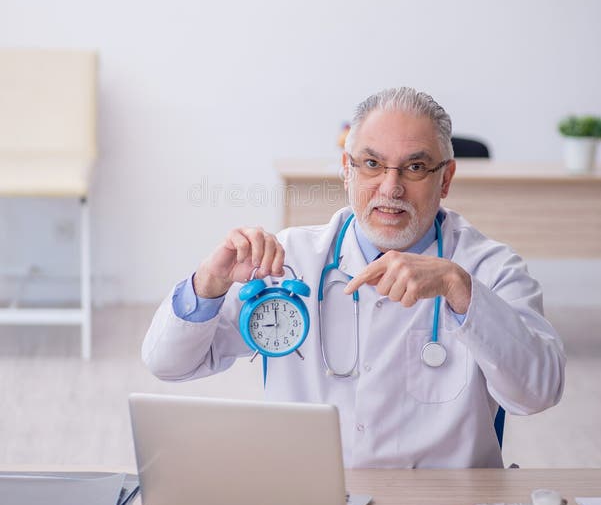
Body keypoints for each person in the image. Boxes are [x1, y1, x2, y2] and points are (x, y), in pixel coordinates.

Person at [142, 87, 565, 468]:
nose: (390, 186)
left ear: (446, 178)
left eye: (415, 167)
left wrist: (460, 291)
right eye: (372, 164)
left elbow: (538, 393)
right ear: (347, 170)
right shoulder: (289, 259)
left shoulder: (491, 268)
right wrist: (208, 283)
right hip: (311, 500)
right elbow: (167, 364)